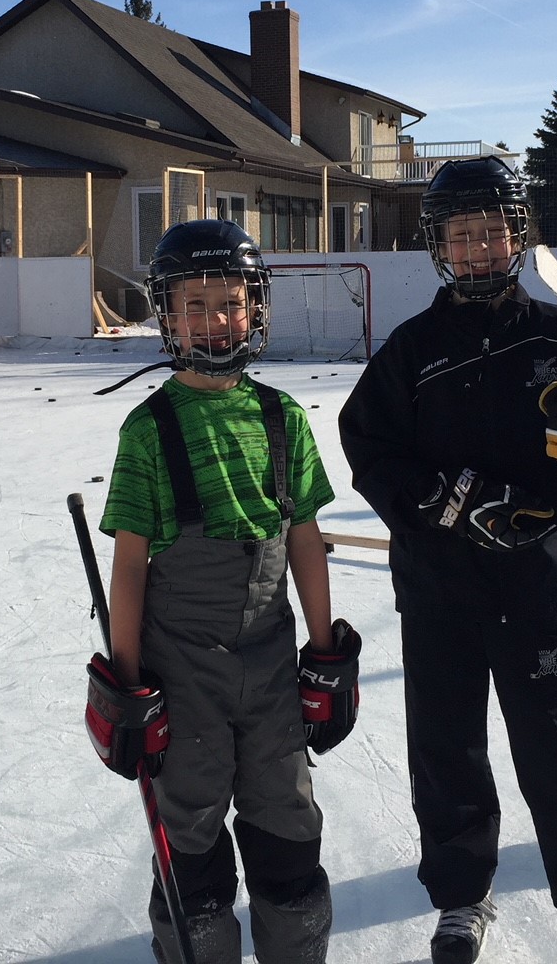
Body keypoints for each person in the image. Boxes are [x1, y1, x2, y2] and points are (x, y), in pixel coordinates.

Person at [337, 158, 557, 964]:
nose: (478, 247)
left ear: (519, 236)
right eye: (461, 234)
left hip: (537, 585)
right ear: (438, 244)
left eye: (492, 231)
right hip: (440, 589)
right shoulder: (412, 349)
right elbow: (366, 444)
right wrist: (452, 500)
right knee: (447, 748)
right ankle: (462, 896)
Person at [88, 218, 360, 964]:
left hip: (271, 662)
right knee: (192, 836)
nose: (215, 321)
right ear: (168, 315)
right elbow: (132, 566)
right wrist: (125, 680)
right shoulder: (148, 431)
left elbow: (303, 539)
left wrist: (326, 645)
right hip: (182, 670)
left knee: (288, 824)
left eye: (230, 302)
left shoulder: (283, 420)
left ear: (256, 307)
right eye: (195, 305)